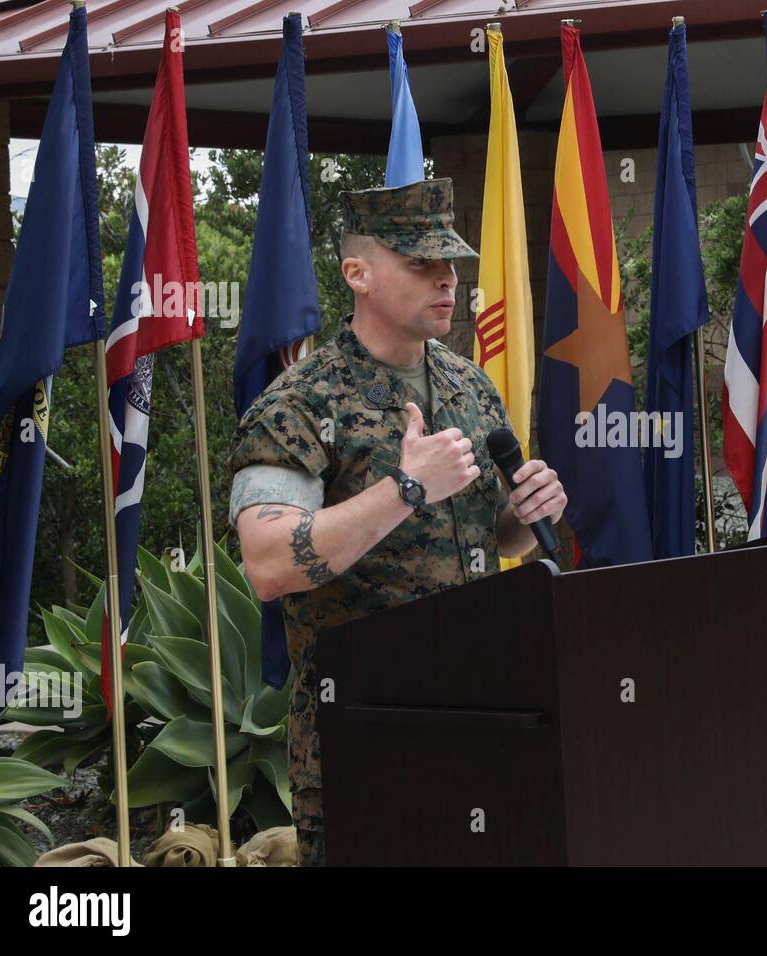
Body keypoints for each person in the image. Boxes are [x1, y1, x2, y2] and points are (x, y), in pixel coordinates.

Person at [226, 179, 567, 866]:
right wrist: (407, 488)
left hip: (485, 713)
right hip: (366, 730)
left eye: (450, 263)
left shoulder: (470, 386)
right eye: (420, 262)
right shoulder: (298, 405)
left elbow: (494, 534)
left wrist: (530, 513)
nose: (447, 279)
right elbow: (268, 563)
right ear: (358, 273)